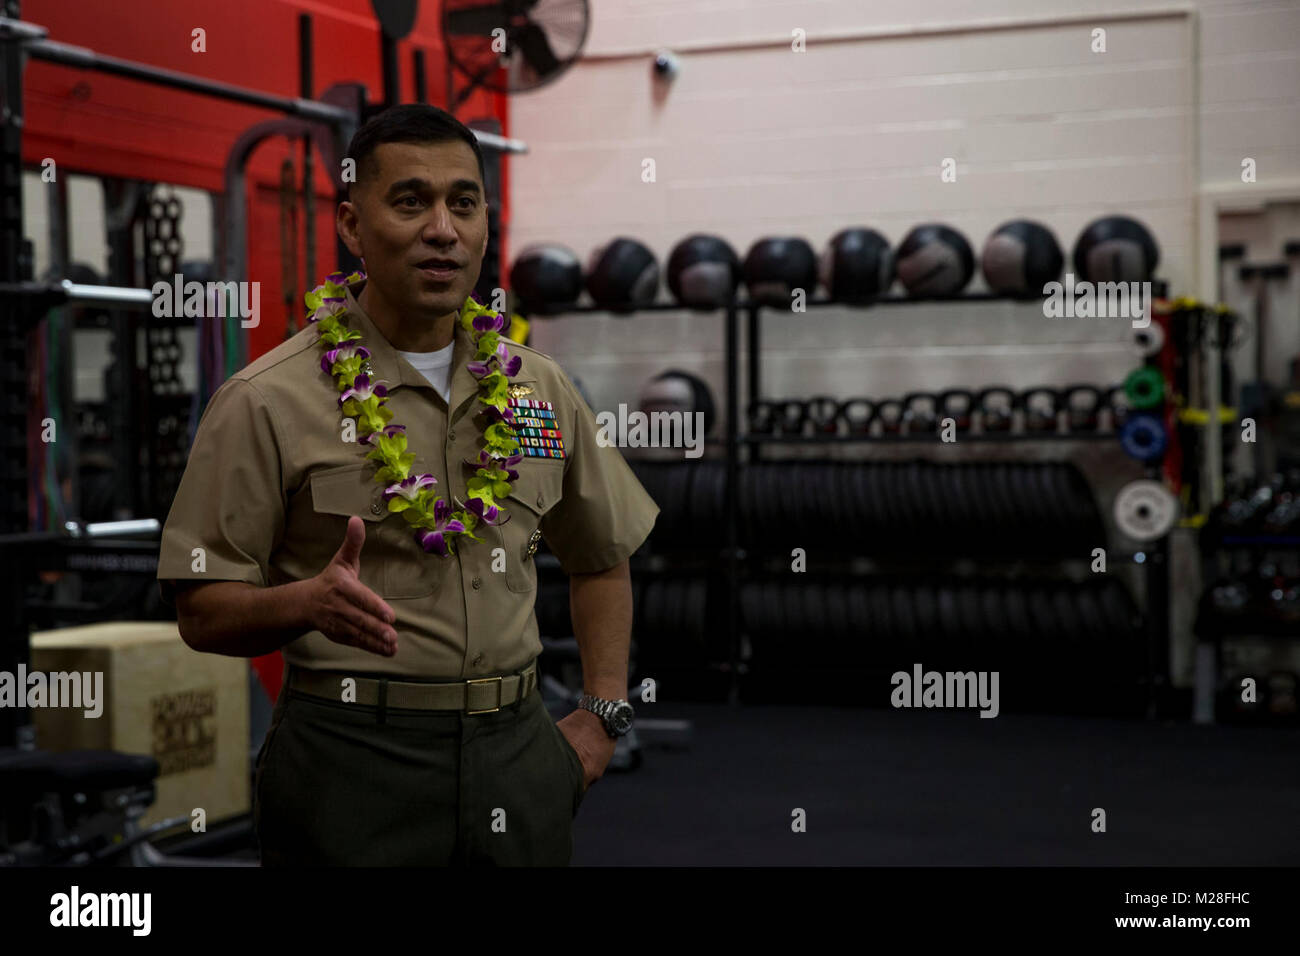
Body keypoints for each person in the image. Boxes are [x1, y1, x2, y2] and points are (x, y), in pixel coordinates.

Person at [156, 103, 658, 866]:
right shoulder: (267, 400)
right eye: (411, 201)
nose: (443, 230)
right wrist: (305, 603)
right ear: (353, 226)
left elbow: (601, 552)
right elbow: (201, 608)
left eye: (464, 202)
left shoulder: (537, 391)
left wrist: (601, 714)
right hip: (351, 765)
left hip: (518, 757)